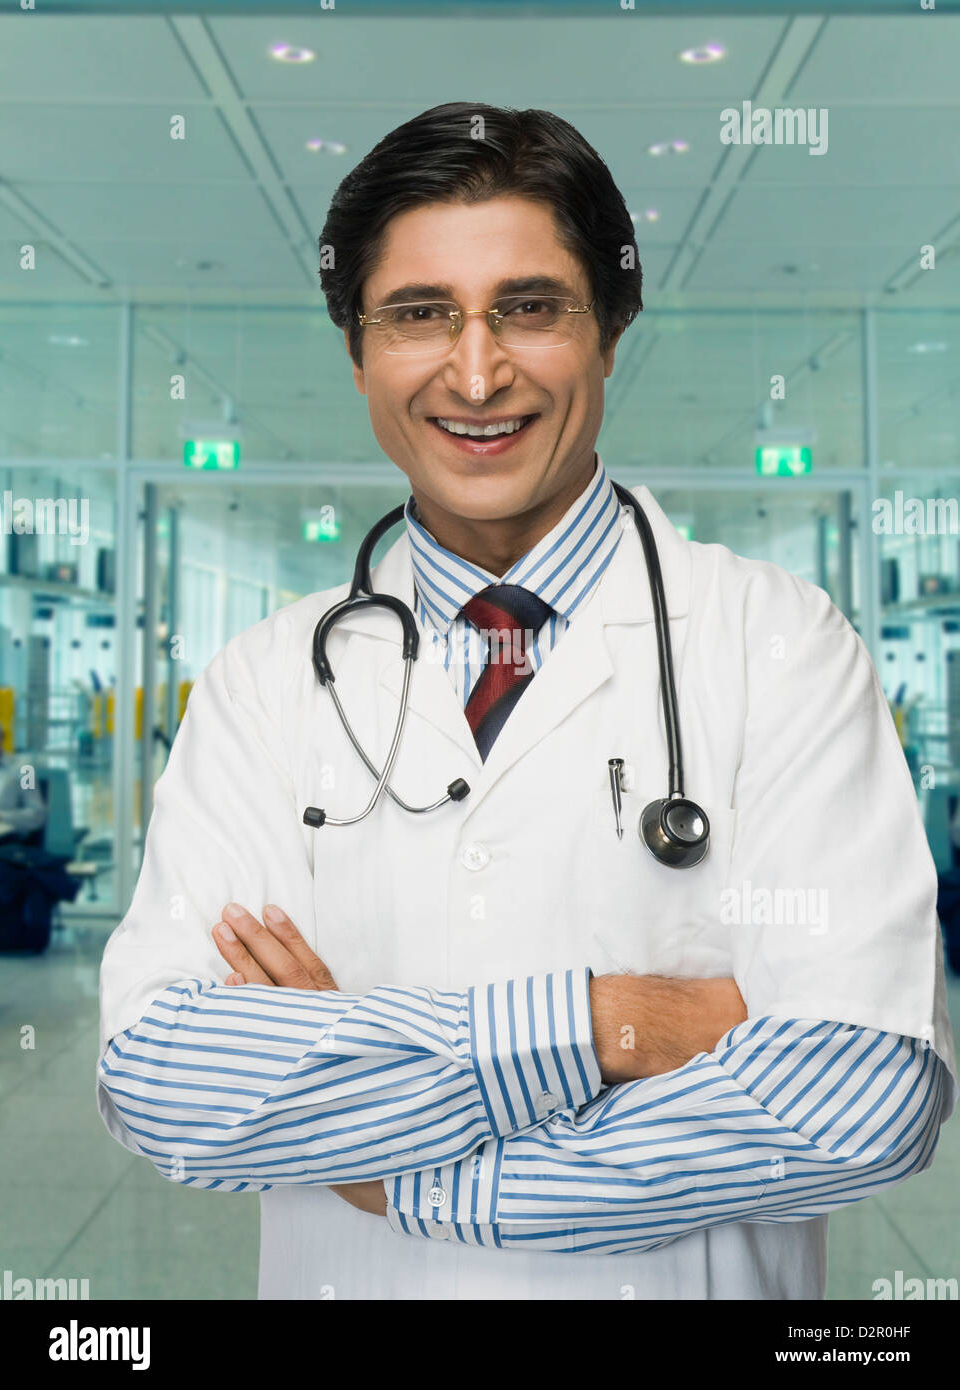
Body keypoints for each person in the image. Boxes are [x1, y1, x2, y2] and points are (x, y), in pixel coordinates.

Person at [97, 103, 957, 1301]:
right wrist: (619, 1019)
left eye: (529, 306)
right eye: (418, 314)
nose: (476, 368)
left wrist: (400, 1171)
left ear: (609, 332)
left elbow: (860, 1097)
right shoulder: (264, 680)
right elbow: (166, 1078)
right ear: (358, 354)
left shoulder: (781, 645)